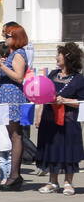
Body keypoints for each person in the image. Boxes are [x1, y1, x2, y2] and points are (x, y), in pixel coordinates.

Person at [35, 42, 84, 194]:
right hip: (49, 119)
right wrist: (39, 114)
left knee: (68, 150)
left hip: (69, 121)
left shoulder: (79, 79)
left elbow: (82, 102)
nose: (57, 57)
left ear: (68, 57)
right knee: (52, 149)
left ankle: (68, 182)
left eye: (59, 54)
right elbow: (44, 96)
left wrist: (66, 101)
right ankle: (52, 181)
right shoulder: (52, 75)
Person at [0, 23, 31, 191]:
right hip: (4, 96)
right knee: (11, 134)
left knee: (15, 135)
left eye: (7, 35)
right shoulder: (11, 54)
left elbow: (19, 77)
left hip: (12, 96)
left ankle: (14, 175)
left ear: (15, 37)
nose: (4, 38)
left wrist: (2, 66)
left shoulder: (19, 54)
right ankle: (13, 175)